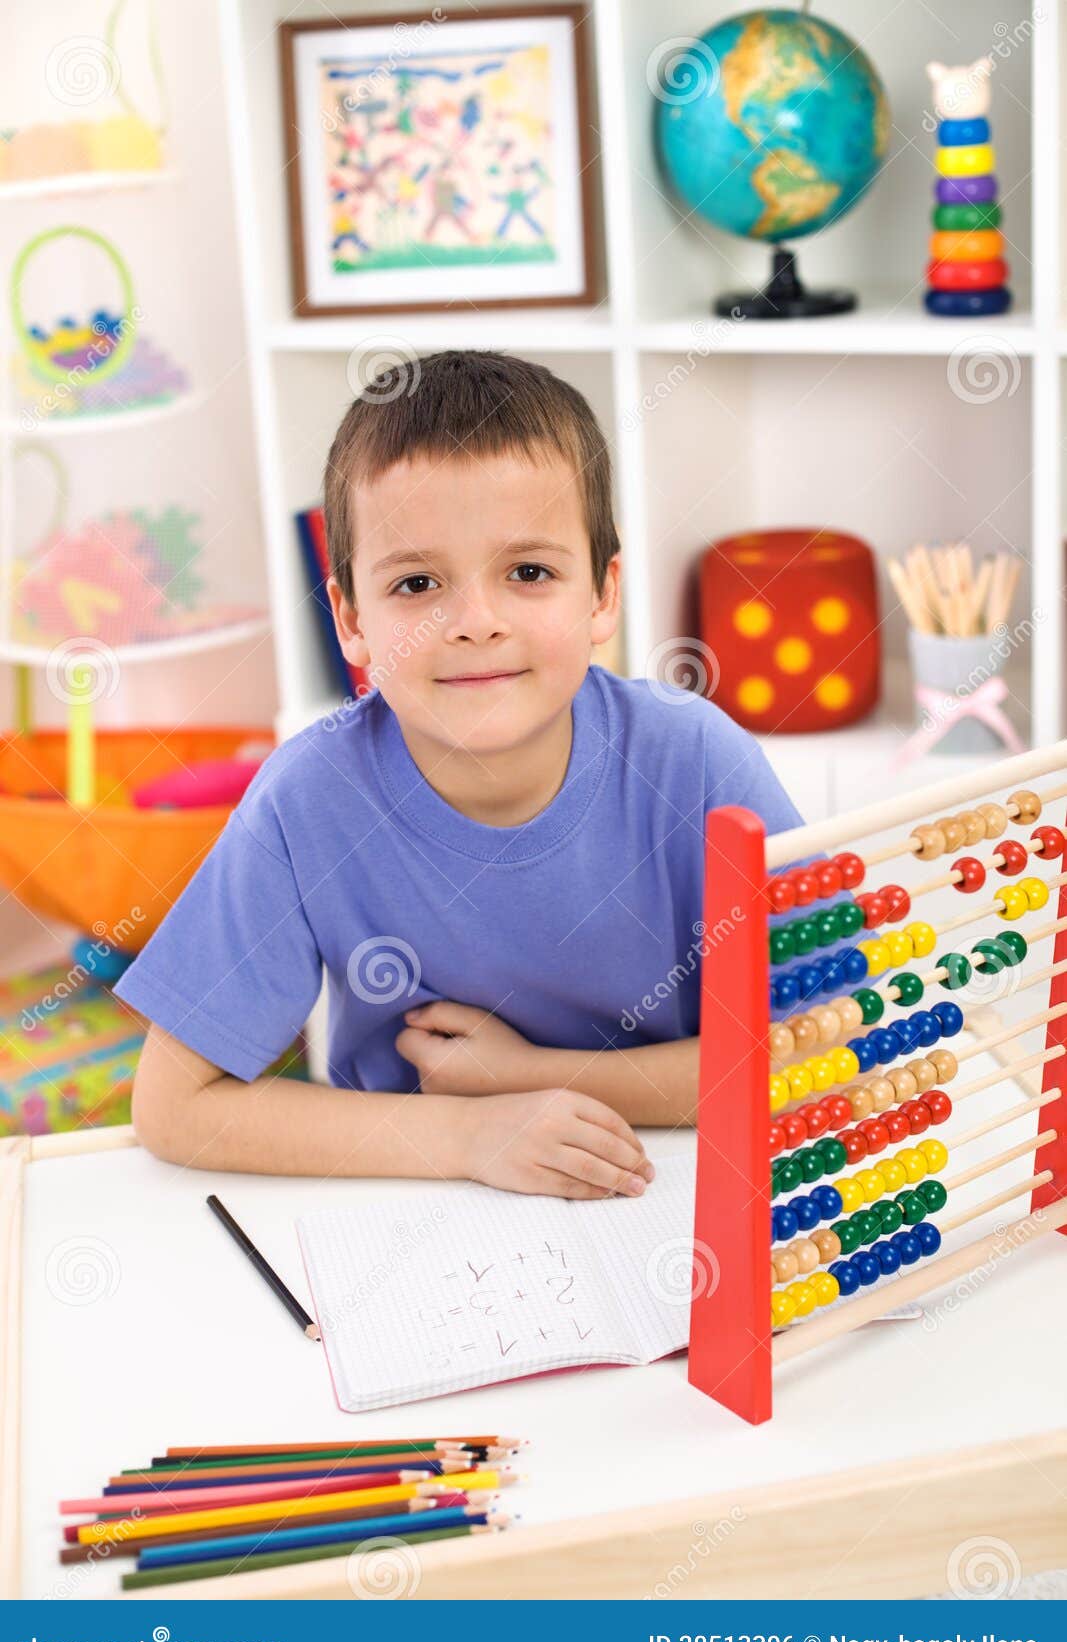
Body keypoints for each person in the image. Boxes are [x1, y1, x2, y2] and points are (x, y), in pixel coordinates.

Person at [117, 350, 802, 1195]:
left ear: (601, 595)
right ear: (350, 618)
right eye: (416, 583)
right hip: (414, 1202)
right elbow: (175, 1108)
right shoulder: (305, 803)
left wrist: (524, 1077)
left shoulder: (694, 760)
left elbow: (819, 1045)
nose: (475, 622)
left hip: (678, 1186)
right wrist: (468, 1134)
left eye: (528, 572)